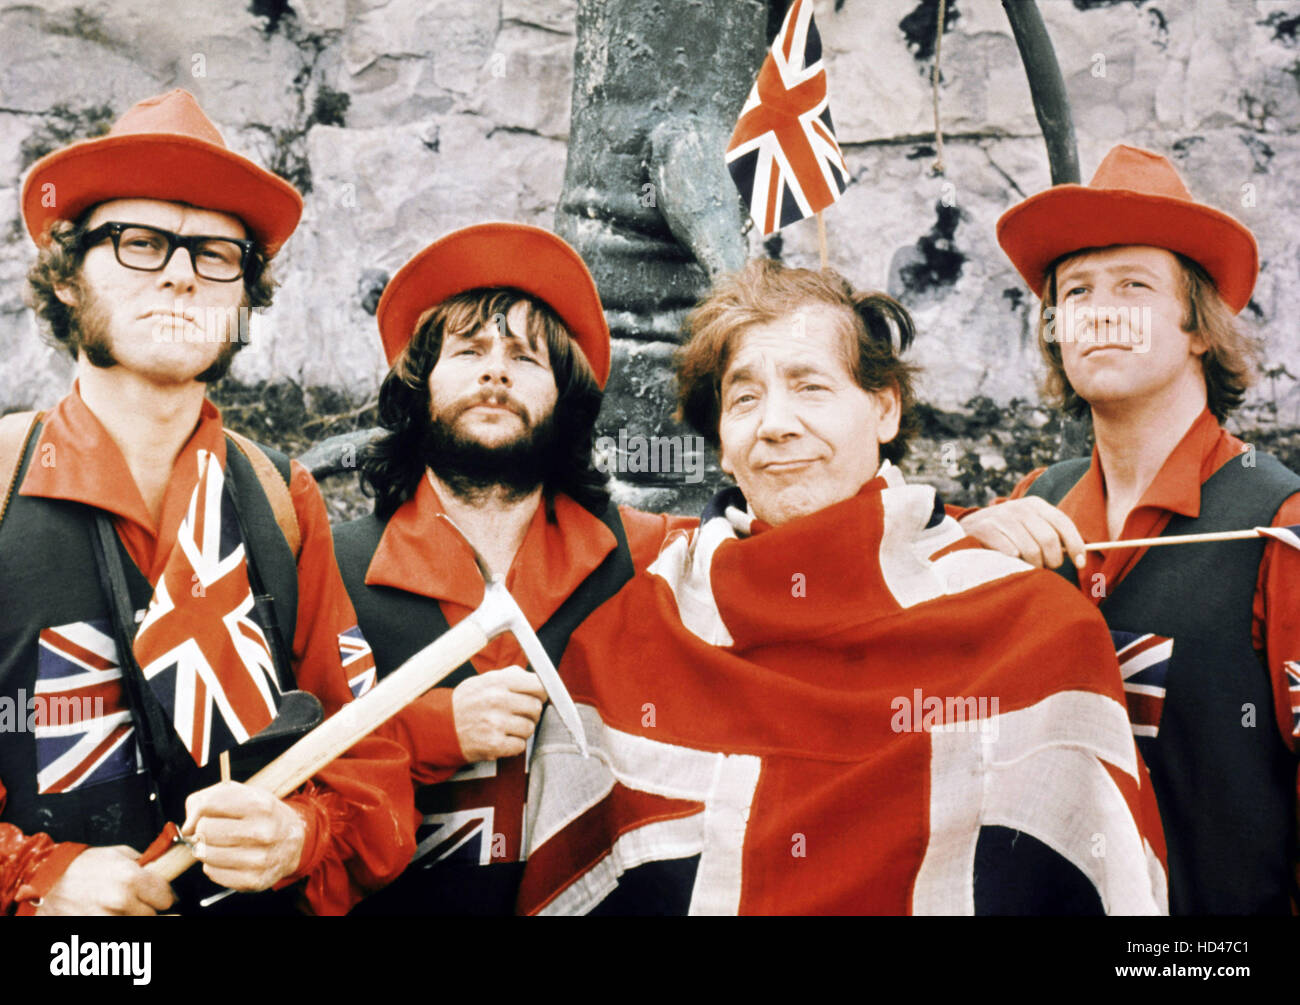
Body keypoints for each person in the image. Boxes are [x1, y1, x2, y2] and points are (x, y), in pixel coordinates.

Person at [515, 259, 1168, 915]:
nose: (774, 423)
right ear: (721, 441)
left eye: (810, 387)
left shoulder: (1035, 629)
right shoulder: (635, 633)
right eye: (744, 398)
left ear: (884, 409)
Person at [0, 89, 416, 916]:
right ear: (70, 276)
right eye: (140, 242)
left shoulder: (280, 496)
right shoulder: (2, 475)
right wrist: (38, 878)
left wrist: (300, 833)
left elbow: (371, 762)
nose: (183, 273)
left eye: (216, 253)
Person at [955, 144, 1300, 914]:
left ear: (1198, 329)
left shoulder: (1279, 527)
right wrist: (959, 560)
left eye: (1134, 285)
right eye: (1076, 290)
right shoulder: (1026, 507)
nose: (1100, 310)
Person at [334, 222, 693, 914]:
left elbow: (791, 547)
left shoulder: (647, 557)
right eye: (468, 351)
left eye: (526, 358)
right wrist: (434, 728)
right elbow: (272, 772)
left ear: (566, 398)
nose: (495, 370)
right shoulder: (331, 567)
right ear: (419, 386)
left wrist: (954, 525)